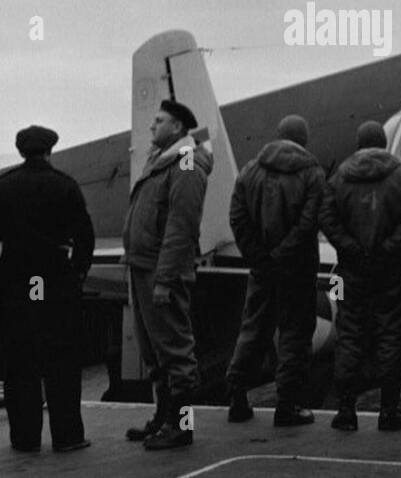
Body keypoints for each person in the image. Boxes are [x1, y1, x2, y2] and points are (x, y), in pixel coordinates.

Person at [0, 125, 95, 455]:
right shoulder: (65, 185)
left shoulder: (3, 186)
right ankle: (67, 435)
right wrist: (77, 273)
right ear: (50, 150)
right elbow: (85, 236)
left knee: (20, 360)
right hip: (55, 279)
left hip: (16, 281)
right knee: (62, 361)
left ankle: (24, 437)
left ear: (21, 151)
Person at [320, 120, 401, 432]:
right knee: (392, 336)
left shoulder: (339, 178)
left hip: (352, 270)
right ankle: (390, 411)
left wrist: (349, 247)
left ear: (358, 143)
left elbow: (326, 216)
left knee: (350, 335)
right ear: (383, 142)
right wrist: (391, 246)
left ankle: (346, 411)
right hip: (392, 270)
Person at [225, 114, 325, 427]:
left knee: (253, 329)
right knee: (295, 334)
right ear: (304, 139)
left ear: (278, 134)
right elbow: (309, 223)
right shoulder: (312, 173)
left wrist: (259, 257)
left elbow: (237, 218)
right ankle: (287, 405)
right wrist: (284, 255)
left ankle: (237, 398)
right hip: (297, 270)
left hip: (261, 270)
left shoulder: (249, 171)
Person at [121, 100, 211, 450]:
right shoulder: (162, 160)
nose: (151, 127)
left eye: (158, 122)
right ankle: (163, 418)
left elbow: (181, 227)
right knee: (154, 350)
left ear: (176, 128)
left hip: (162, 271)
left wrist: (165, 279)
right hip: (143, 267)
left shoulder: (185, 165)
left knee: (175, 351)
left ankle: (182, 426)